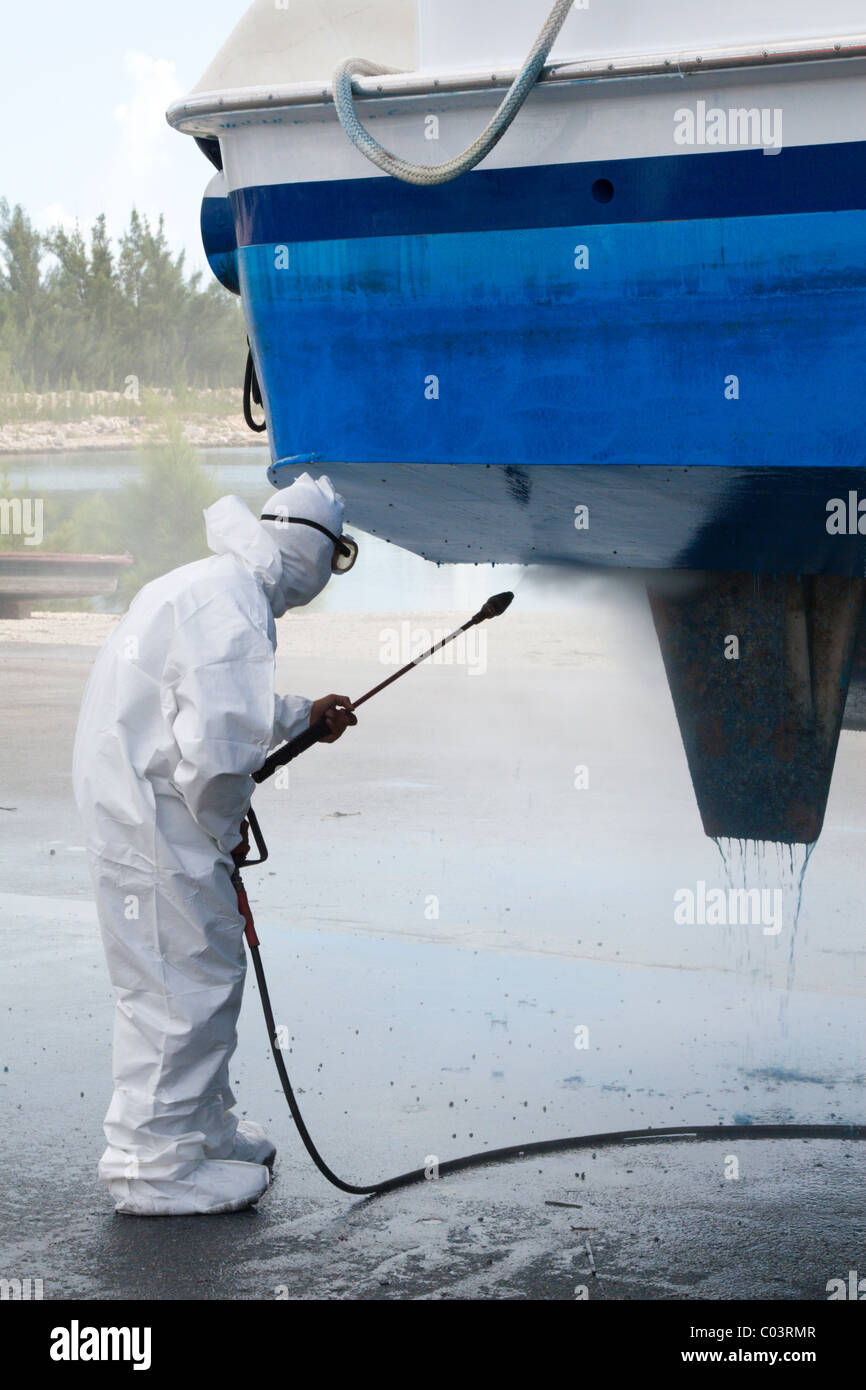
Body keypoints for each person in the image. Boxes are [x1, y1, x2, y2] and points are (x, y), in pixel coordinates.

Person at [72, 474, 357, 1216]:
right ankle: (151, 1166)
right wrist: (224, 836)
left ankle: (200, 1130)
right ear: (315, 555)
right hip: (158, 819)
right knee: (180, 987)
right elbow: (220, 759)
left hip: (143, 803)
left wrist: (299, 719)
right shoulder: (234, 609)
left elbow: (223, 710)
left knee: (200, 976)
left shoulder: (218, 587)